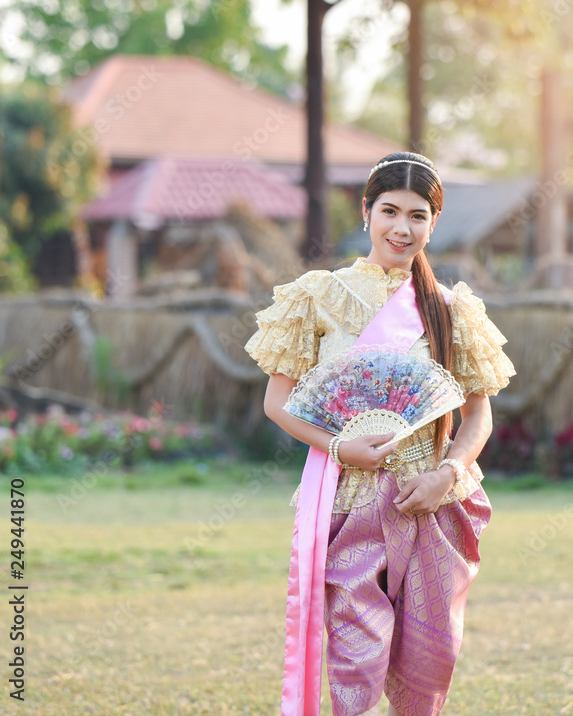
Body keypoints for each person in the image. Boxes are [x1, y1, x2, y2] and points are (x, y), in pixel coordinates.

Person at [244, 151, 515, 716]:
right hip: (349, 500)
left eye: (418, 215)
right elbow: (278, 403)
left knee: (427, 667)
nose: (402, 228)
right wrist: (339, 446)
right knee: (357, 661)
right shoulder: (317, 296)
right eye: (390, 211)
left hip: (432, 501)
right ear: (366, 211)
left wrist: (447, 474)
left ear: (433, 223)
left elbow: (478, 417)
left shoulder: (451, 309)